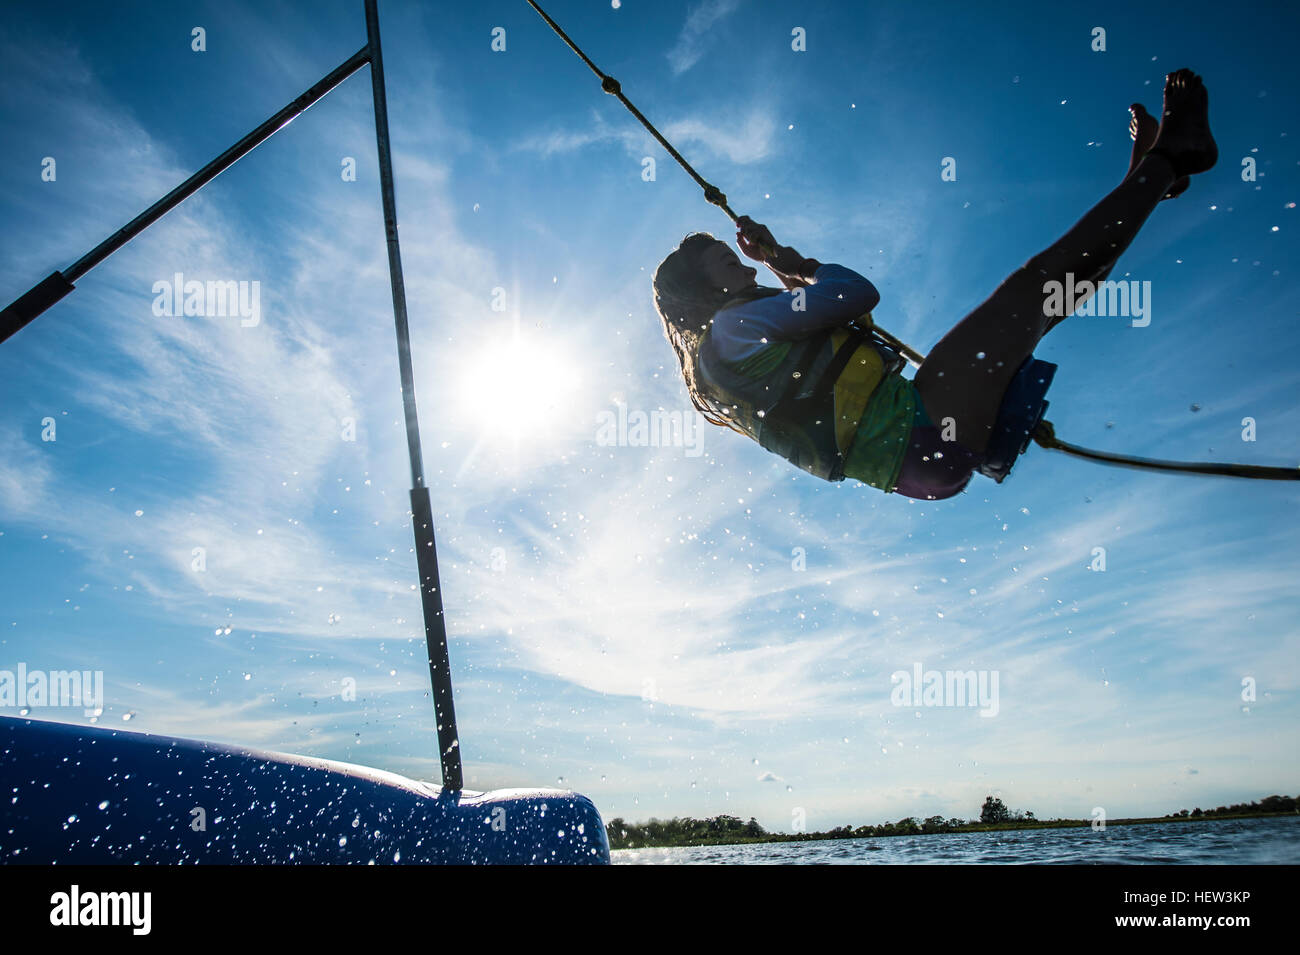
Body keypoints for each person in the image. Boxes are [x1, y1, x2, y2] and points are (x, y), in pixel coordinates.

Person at [652, 69, 1217, 500]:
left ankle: (1145, 183)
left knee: (1050, 302)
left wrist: (777, 260)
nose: (746, 270)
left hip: (919, 465)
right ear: (701, 289)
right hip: (919, 426)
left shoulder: (722, 354)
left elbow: (814, 320)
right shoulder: (735, 324)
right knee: (1036, 284)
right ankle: (1168, 159)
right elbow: (853, 294)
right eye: (729, 265)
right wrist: (793, 258)